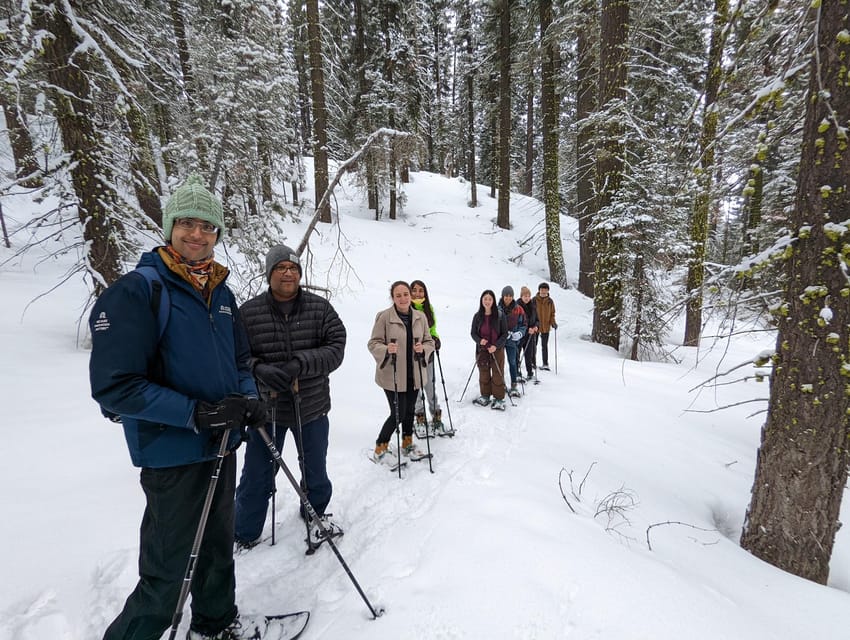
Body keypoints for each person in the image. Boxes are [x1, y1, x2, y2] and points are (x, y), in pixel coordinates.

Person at [89, 174, 269, 640]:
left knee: (216, 550)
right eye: (187, 223)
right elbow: (116, 387)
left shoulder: (222, 293)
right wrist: (197, 413)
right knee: (169, 571)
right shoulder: (139, 290)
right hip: (171, 451)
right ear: (169, 228)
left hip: (222, 444)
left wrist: (247, 398)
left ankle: (215, 624)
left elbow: (241, 360)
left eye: (207, 226)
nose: (197, 234)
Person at [234, 244, 347, 551]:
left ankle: (315, 514)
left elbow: (337, 347)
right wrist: (259, 369)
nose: (288, 273)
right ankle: (244, 531)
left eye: (294, 268)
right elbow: (234, 356)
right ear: (269, 273)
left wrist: (301, 363)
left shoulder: (319, 308)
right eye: (281, 268)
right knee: (257, 474)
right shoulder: (248, 312)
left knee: (314, 470)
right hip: (265, 411)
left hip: (310, 405)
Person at [368, 281, 435, 465]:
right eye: (398, 295)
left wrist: (424, 348)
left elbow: (430, 342)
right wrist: (386, 349)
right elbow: (373, 343)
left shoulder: (420, 317)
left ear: (410, 296)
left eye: (406, 294)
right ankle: (380, 447)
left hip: (414, 374)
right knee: (398, 412)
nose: (403, 298)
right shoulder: (384, 317)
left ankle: (407, 444)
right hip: (393, 375)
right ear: (393, 297)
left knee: (410, 410)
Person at [410, 279, 446, 435]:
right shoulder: (407, 309)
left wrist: (435, 338)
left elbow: (432, 329)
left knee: (430, 385)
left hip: (427, 354)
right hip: (411, 356)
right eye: (415, 290)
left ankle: (436, 416)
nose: (418, 293)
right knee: (416, 387)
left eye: (421, 290)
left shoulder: (428, 308)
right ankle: (420, 417)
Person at [470, 289, 509, 410]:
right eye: (485, 299)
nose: (487, 301)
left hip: (496, 349)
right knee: (484, 372)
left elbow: (505, 334)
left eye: (490, 299)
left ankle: (498, 398)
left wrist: (495, 346)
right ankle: (485, 396)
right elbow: (473, 333)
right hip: (482, 350)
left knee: (497, 373)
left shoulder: (500, 315)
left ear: (493, 301)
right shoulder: (477, 316)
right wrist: (479, 340)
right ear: (482, 300)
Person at [498, 285, 527, 398]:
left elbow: (524, 324)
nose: (508, 298)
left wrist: (519, 333)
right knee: (499, 363)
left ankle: (514, 385)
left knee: (513, 362)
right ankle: (500, 385)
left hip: (512, 341)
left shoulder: (518, 309)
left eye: (510, 296)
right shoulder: (497, 309)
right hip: (499, 341)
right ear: (503, 296)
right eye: (506, 295)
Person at [517, 285, 539, 382]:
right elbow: (516, 322)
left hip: (530, 335)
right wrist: (526, 329)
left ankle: (530, 372)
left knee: (529, 354)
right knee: (517, 354)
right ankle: (517, 373)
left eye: (528, 296)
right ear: (521, 296)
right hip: (520, 335)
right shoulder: (517, 306)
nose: (527, 298)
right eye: (525, 296)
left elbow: (537, 320)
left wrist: (535, 327)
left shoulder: (533, 306)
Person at [534, 282, 558, 370]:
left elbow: (552, 314)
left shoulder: (550, 301)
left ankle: (545, 363)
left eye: (545, 290)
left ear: (548, 291)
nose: (543, 291)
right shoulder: (534, 300)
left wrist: (553, 323)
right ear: (539, 290)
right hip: (536, 326)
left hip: (546, 327)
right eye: (542, 289)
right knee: (534, 345)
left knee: (544, 345)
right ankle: (533, 362)